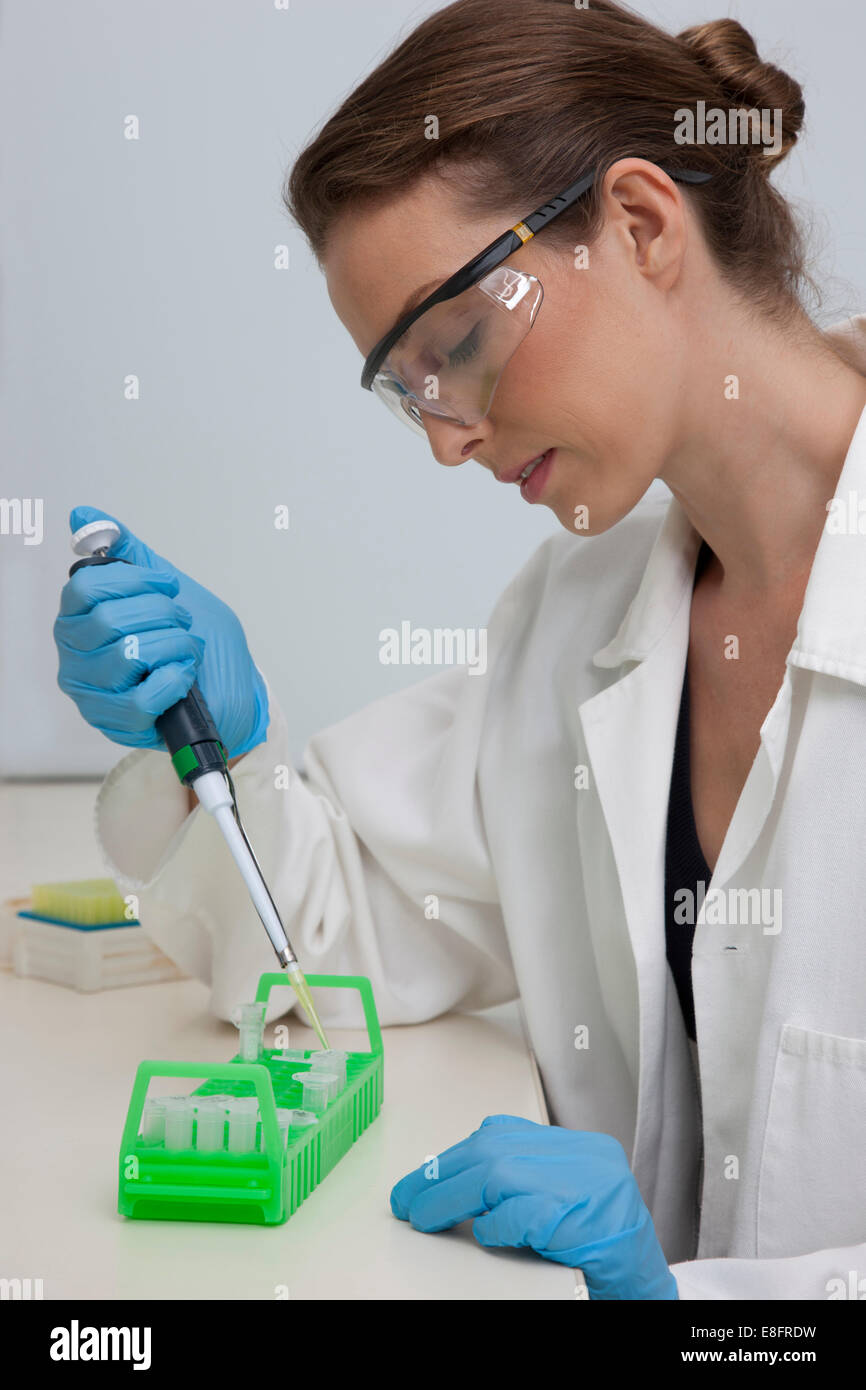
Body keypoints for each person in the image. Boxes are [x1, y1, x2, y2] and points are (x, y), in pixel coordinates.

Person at [54, 0, 866, 1299]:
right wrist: (202, 741)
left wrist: (698, 1304)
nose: (445, 439)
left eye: (460, 348)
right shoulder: (580, 619)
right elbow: (319, 951)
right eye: (407, 387)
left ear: (643, 224)